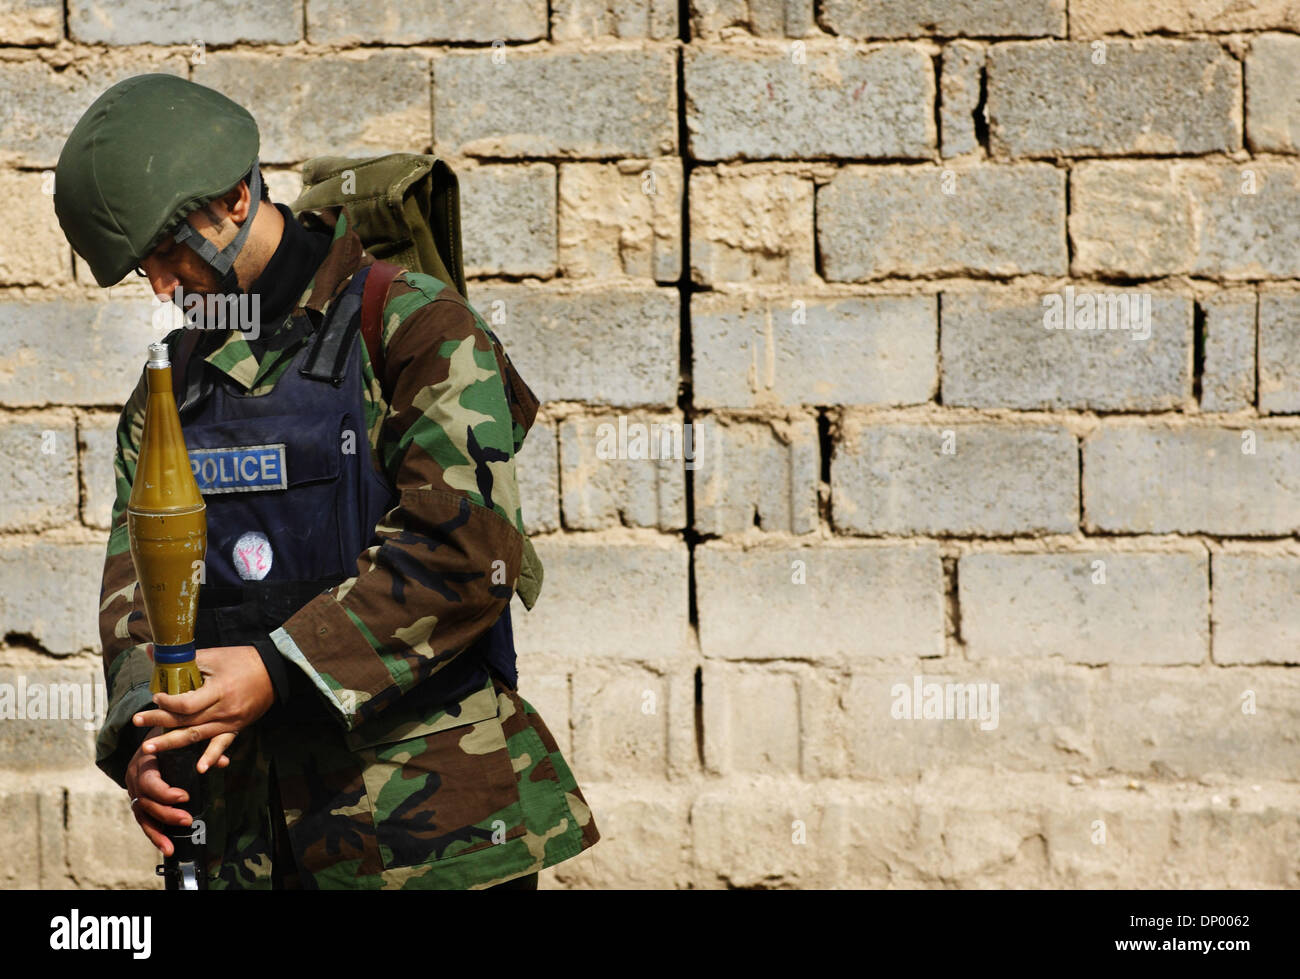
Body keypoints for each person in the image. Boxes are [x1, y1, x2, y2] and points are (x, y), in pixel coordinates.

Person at [54, 73, 599, 889]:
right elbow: (134, 597)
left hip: (425, 838)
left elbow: (465, 550)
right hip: (246, 843)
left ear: (236, 197)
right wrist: (145, 740)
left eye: (170, 249)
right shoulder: (169, 391)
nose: (163, 287)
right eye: (144, 269)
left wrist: (276, 670)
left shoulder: (414, 324)